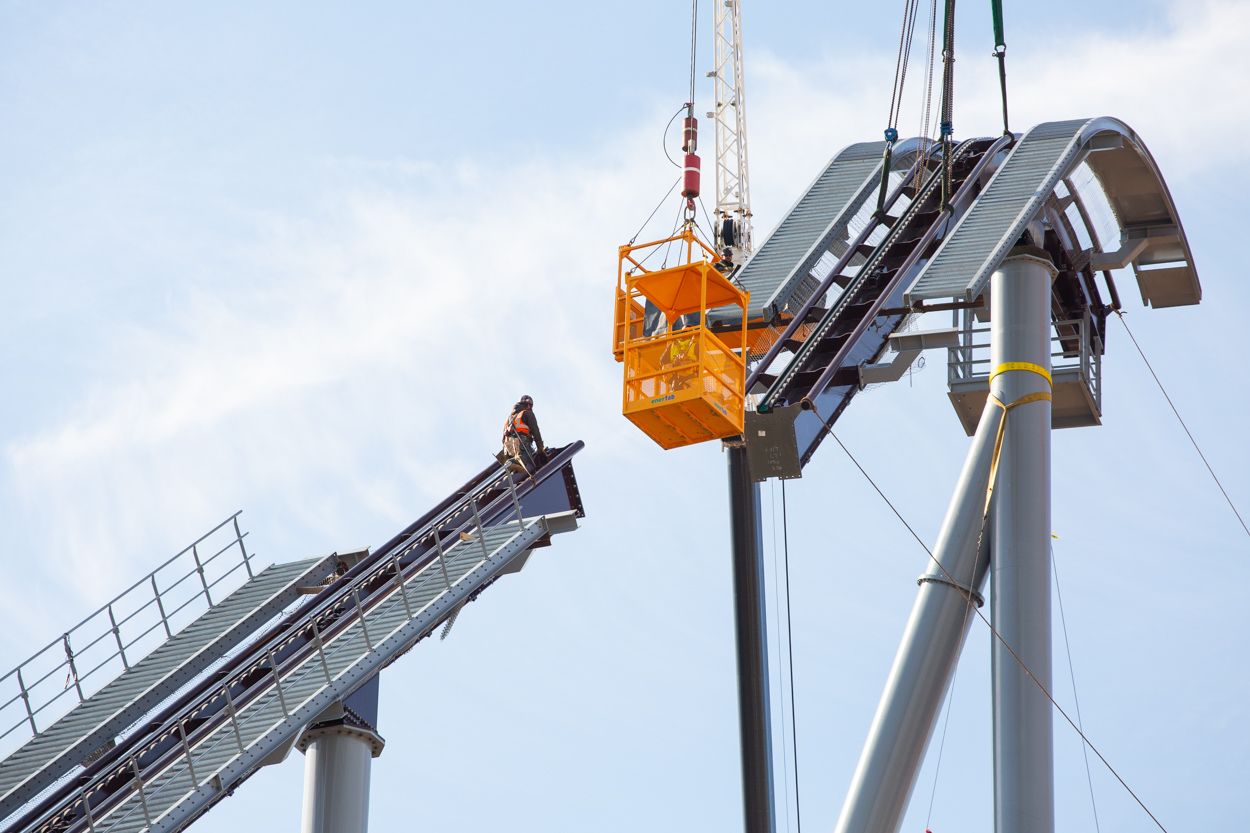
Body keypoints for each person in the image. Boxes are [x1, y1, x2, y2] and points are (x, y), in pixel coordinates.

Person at [501, 394, 547, 473]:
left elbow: (503, 439)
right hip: (521, 440)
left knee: (519, 463)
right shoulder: (527, 413)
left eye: (531, 406)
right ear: (526, 405)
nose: (530, 407)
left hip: (508, 446)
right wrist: (540, 449)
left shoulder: (508, 419)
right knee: (527, 458)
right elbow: (535, 431)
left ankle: (514, 469)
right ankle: (510, 463)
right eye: (529, 405)